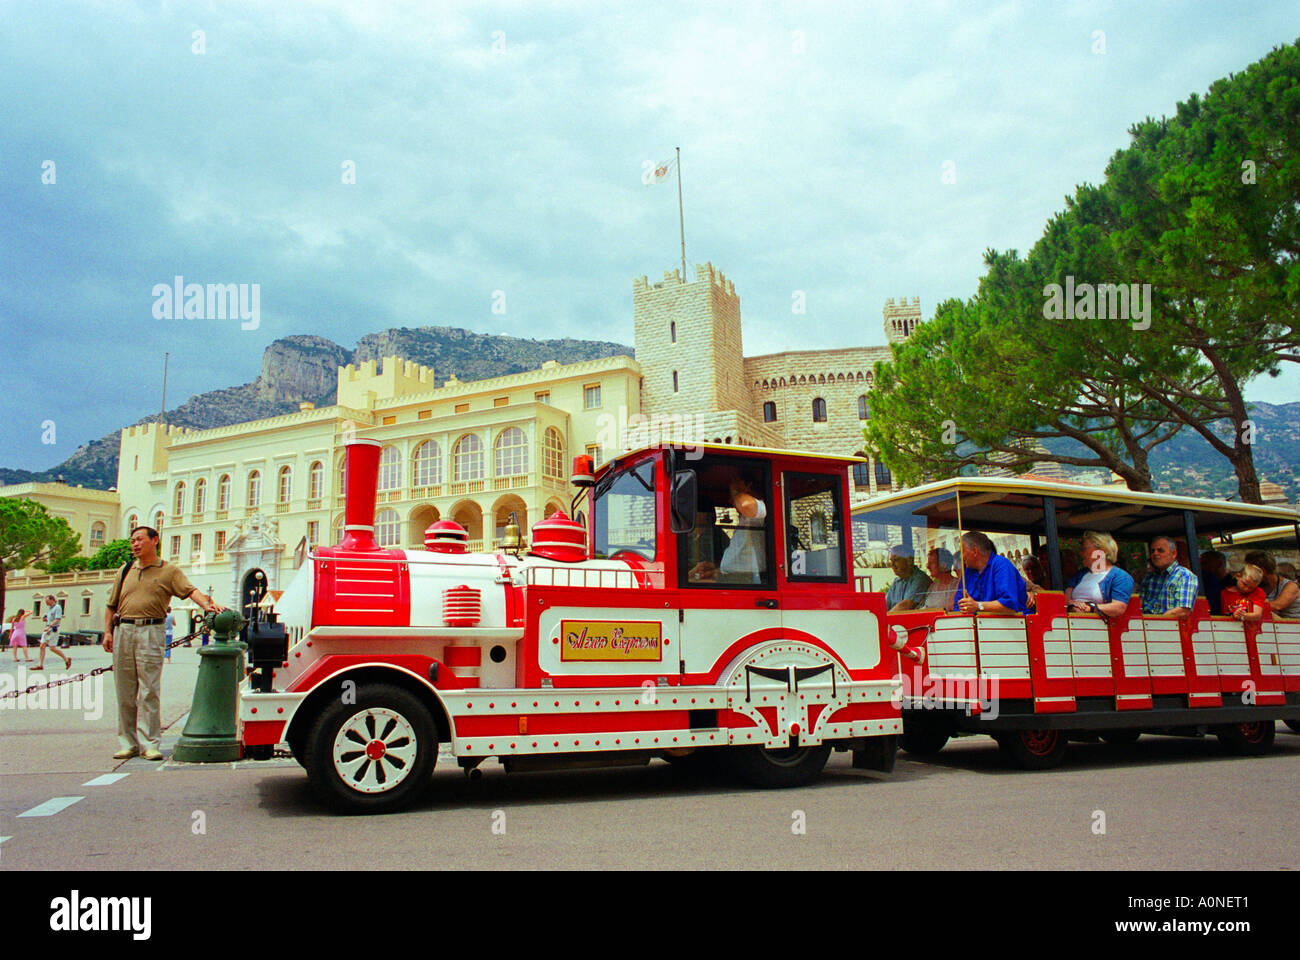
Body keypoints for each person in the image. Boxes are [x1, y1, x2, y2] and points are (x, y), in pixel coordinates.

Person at [105, 525, 224, 761]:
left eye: (139, 539)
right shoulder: (125, 570)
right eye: (132, 541)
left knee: (149, 689)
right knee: (125, 691)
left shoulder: (169, 570)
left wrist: (207, 605)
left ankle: (149, 743)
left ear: (154, 540)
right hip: (124, 630)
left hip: (151, 630)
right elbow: (111, 605)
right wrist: (107, 632)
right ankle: (128, 743)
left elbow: (190, 591)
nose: (135, 544)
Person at [953, 531, 1028, 615]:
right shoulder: (968, 572)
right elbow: (957, 606)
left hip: (1010, 625)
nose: (961, 557)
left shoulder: (1001, 564)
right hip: (977, 625)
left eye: (962, 552)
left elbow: (1009, 605)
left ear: (974, 551)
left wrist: (978, 606)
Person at [1065, 531, 1135, 618]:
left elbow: (1118, 608)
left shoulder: (1121, 577)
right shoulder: (1080, 574)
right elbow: (1066, 597)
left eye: (1084, 549)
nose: (1080, 553)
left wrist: (1090, 608)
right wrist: (1072, 604)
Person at [715, 476, 767, 584]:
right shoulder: (746, 520)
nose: (731, 501)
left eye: (734, 496)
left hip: (745, 579)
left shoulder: (758, 512)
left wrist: (736, 492)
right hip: (736, 577)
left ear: (748, 487)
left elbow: (746, 504)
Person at [1139, 535, 1199, 619]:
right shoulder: (1149, 577)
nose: (1155, 554)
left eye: (1160, 550)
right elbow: (1139, 604)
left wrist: (1155, 623)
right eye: (1152, 551)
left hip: (1171, 628)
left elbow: (1183, 611)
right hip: (1144, 626)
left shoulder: (1184, 576)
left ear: (1174, 554)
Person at [1243, 550, 1300, 619]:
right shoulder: (1259, 586)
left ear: (1262, 570)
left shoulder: (1290, 586)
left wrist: (1248, 605)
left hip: (1292, 625)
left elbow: (1278, 606)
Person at [885, 545, 932, 612]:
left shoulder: (920, 579)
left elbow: (906, 606)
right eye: (891, 561)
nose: (892, 565)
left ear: (909, 560)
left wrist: (885, 618)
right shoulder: (896, 582)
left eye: (896, 560)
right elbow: (884, 605)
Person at [32, 594, 71, 671]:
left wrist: (49, 626)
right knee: (42, 646)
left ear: (52, 600)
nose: (46, 603)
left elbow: (57, 619)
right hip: (47, 628)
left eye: (47, 601)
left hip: (53, 629)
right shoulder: (50, 608)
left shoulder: (57, 607)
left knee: (52, 648)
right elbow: (51, 618)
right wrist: (46, 619)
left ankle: (66, 659)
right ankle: (40, 665)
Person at [920, 547, 959, 611]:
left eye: (931, 563)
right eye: (928, 563)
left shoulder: (956, 585)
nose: (928, 566)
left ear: (943, 565)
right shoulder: (932, 587)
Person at [1199, 550, 1228, 616]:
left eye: (1205, 563)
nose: (1201, 567)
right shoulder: (1203, 579)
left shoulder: (1209, 578)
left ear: (1219, 564)